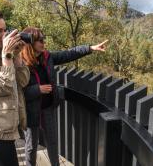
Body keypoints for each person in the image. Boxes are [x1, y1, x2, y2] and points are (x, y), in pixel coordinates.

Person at [20, 27, 107, 166]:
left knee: (52, 142)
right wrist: (38, 89)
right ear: (30, 42)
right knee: (31, 146)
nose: (44, 42)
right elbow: (19, 93)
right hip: (31, 111)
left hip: (47, 107)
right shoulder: (20, 63)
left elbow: (69, 54)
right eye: (40, 40)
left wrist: (90, 48)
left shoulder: (47, 57)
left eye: (44, 39)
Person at [0, 8, 30, 166]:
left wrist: (16, 56)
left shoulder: (0, 52)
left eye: (5, 30)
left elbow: (22, 82)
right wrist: (7, 55)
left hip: (6, 128)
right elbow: (2, 87)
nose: (4, 35)